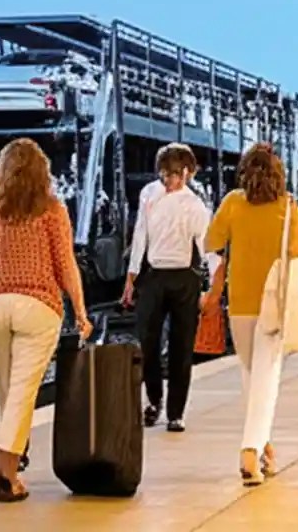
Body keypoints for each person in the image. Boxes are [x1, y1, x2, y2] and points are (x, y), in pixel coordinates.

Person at [0, 137, 93, 503]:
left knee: (5, 389)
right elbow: (66, 265)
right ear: (42, 172)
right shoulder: (52, 209)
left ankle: (13, 456)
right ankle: (5, 468)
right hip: (37, 307)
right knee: (22, 391)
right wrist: (80, 311)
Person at [204, 142, 298, 486]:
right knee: (266, 379)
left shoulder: (233, 203)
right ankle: (249, 453)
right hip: (273, 304)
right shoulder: (289, 207)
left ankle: (264, 448)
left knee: (252, 376)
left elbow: (211, 241)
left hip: (240, 304)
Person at [121, 143, 221, 433]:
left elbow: (207, 247)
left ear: (188, 173)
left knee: (181, 348)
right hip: (153, 276)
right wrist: (131, 276)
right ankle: (154, 400)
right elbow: (141, 234)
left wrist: (214, 285)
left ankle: (176, 412)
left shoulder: (196, 206)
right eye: (165, 174)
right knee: (148, 343)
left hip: (184, 279)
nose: (169, 181)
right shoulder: (148, 194)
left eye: (175, 174)